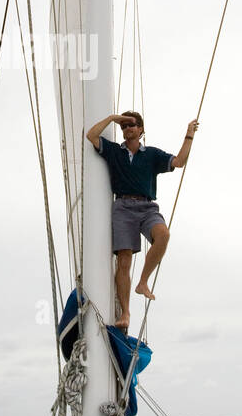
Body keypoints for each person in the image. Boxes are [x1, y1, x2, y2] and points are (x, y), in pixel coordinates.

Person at [85, 110, 198, 328]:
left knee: (163, 235)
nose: (127, 128)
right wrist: (111, 119)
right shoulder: (114, 151)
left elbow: (179, 161)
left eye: (132, 125)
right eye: (124, 126)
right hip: (123, 207)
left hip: (147, 206)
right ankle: (125, 314)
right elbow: (91, 135)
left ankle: (143, 282)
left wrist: (189, 135)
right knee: (124, 260)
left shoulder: (152, 155)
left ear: (141, 129)